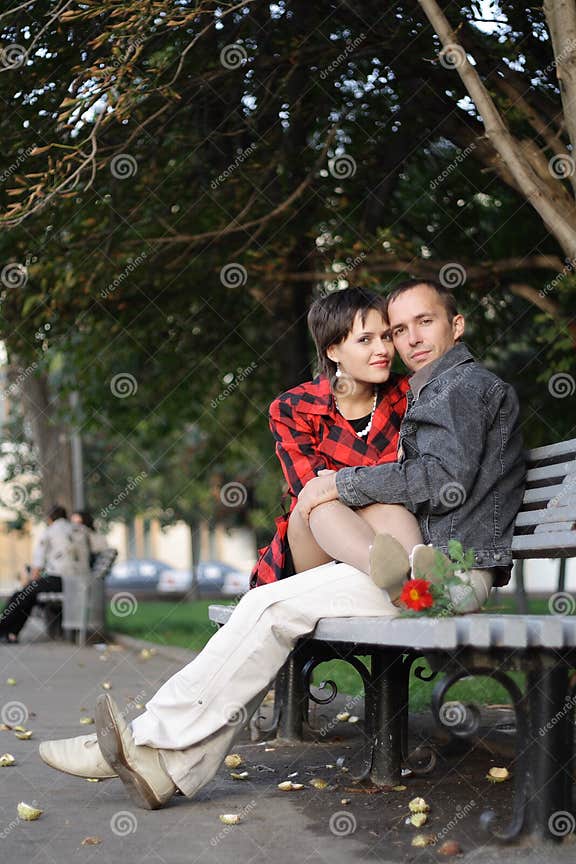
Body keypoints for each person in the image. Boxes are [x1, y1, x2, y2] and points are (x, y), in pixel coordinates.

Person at [38, 279, 525, 813]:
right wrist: (338, 492)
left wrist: (339, 483)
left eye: (421, 324)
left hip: (444, 580)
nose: (403, 341)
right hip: (414, 567)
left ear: (456, 326)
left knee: (268, 605)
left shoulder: (463, 387)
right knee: (269, 606)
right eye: (397, 328)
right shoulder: (438, 387)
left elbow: (441, 476)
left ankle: (143, 738)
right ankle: (163, 764)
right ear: (334, 350)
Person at [251, 286, 423, 591]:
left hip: (389, 525)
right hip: (316, 544)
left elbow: (415, 479)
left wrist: (344, 482)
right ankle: (394, 577)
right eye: (365, 340)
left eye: (386, 336)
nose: (382, 349)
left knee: (386, 506)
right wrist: (378, 478)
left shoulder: (410, 394)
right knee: (320, 504)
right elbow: (312, 488)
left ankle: (413, 585)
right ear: (333, 350)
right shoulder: (294, 407)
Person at [0, 505, 91, 643]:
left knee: (20, 595)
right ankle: (11, 633)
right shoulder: (80, 529)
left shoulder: (51, 531)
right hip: (80, 581)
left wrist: (30, 581)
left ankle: (5, 630)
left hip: (59, 580)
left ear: (49, 518)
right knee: (28, 595)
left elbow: (38, 564)